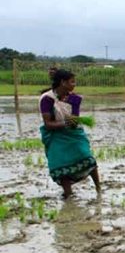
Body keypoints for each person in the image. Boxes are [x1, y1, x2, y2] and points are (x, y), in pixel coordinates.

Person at [38, 69, 100, 198]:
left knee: (86, 157)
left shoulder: (75, 99)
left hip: (73, 134)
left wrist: (72, 122)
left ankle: (98, 189)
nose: (74, 84)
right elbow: (48, 124)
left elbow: (74, 120)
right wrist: (66, 123)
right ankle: (68, 194)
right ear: (63, 82)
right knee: (60, 163)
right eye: (72, 82)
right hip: (55, 135)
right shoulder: (47, 99)